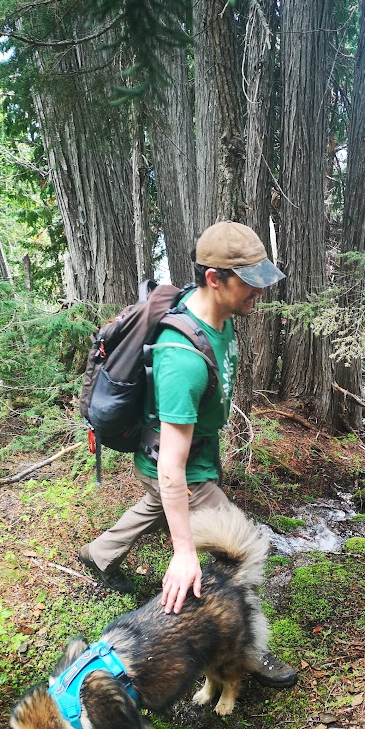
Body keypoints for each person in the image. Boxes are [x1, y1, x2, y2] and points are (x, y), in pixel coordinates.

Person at [78, 221, 297, 689]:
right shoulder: (183, 359)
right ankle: (249, 647)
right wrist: (183, 553)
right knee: (243, 550)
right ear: (214, 279)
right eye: (250, 282)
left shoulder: (216, 316)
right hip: (180, 468)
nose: (259, 292)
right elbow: (171, 469)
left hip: (175, 458)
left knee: (156, 504)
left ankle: (99, 554)